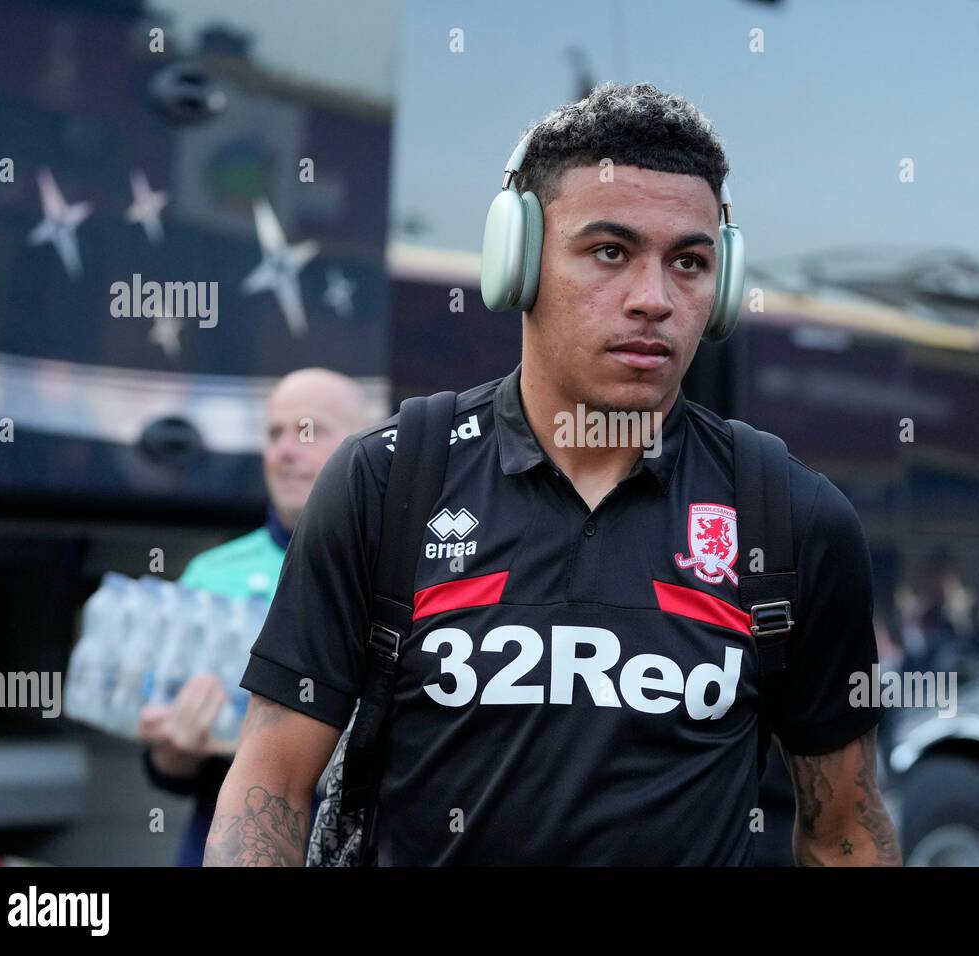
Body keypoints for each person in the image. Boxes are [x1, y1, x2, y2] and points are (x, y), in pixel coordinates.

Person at [206, 82, 900, 866]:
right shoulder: (385, 482)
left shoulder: (792, 517)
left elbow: (845, 830)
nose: (654, 300)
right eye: (610, 251)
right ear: (520, 261)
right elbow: (271, 783)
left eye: (690, 262)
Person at [138, 367, 370, 866]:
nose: (285, 450)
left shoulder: (407, 572)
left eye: (307, 430)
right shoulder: (209, 577)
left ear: (365, 443)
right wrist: (173, 752)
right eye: (273, 433)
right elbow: (165, 764)